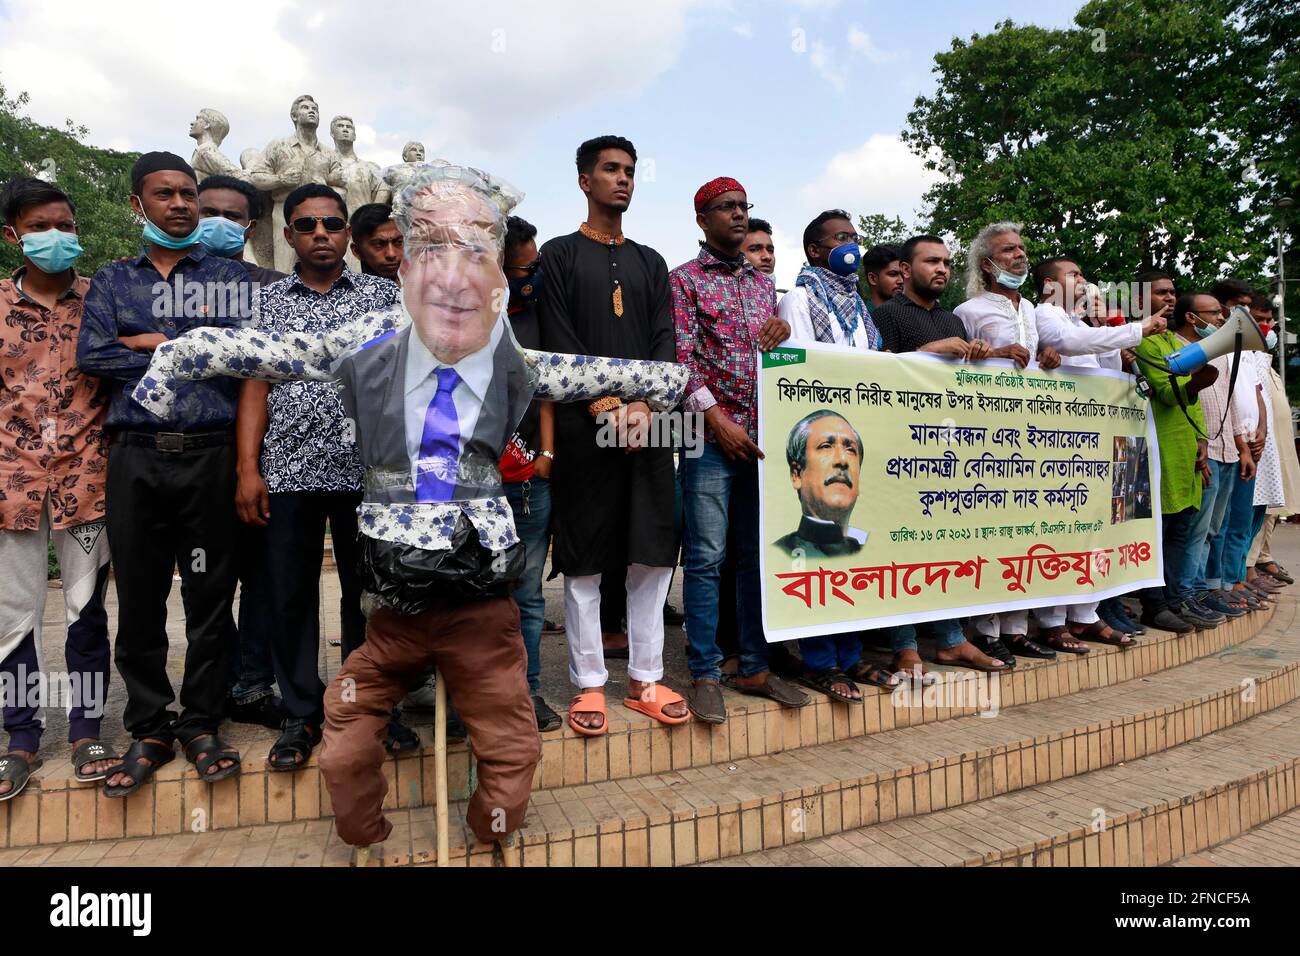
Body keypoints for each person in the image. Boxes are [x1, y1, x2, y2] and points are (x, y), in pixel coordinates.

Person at [129, 161, 688, 860]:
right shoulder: (367, 340)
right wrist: (185, 354)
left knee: (510, 743)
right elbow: (272, 353)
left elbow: (568, 371)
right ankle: (364, 830)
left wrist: (664, 382)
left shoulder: (503, 347)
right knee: (347, 729)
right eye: (433, 242)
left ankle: (492, 827)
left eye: (475, 243)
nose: (455, 263)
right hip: (392, 610)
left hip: (482, 607)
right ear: (407, 254)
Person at [76, 152, 252, 796]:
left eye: (189, 195)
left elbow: (241, 356)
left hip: (211, 454)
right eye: (165, 194)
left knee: (210, 596)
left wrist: (141, 342)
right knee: (141, 597)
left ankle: (203, 722)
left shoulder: (232, 279)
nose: (180, 205)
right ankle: (149, 726)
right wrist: (174, 347)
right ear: (138, 205)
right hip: (136, 457)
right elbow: (92, 354)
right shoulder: (113, 280)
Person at [539, 135, 688, 736]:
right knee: (585, 559)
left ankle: (646, 679)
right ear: (584, 181)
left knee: (652, 555)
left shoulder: (652, 262)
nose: (622, 179)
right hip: (582, 428)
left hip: (650, 427)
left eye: (629, 170)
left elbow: (664, 343)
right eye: (610, 170)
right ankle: (591, 684)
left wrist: (646, 408)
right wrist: (605, 406)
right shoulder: (558, 255)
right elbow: (558, 338)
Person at [671, 176, 810, 724]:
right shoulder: (681, 282)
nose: (737, 215)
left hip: (762, 441)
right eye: (725, 208)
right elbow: (682, 359)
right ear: (702, 218)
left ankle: (753, 666)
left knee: (755, 558)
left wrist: (779, 335)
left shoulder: (761, 286)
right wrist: (716, 420)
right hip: (709, 440)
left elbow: (776, 359)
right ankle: (705, 672)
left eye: (743, 208)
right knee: (705, 560)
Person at [0, 178, 116, 800]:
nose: (57, 236)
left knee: (85, 610)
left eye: (66, 225)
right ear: (12, 235)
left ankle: (86, 729)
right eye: (41, 226)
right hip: (10, 487)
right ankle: (19, 738)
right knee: (14, 619)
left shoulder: (104, 301)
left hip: (88, 484)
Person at [869, 235, 1006, 676]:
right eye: (931, 261)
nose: (942, 269)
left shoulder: (953, 320)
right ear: (906, 270)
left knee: (946, 548)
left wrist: (983, 355)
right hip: (902, 449)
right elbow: (875, 371)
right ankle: (905, 646)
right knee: (903, 548)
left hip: (948, 452)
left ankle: (951, 641)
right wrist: (929, 352)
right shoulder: (885, 314)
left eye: (946, 262)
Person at [1030, 256, 1167, 650]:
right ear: (1049, 287)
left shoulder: (1085, 323)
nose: (1084, 281)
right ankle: (1053, 621)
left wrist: (1112, 328)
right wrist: (1136, 329)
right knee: (1062, 529)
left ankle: (1085, 615)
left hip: (1098, 436)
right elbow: (1068, 345)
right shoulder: (1045, 315)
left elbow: (1109, 369)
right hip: (1064, 440)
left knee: (1096, 529)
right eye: (1073, 275)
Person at [194, 174, 286, 729]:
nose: (220, 223)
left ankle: (252, 684)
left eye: (233, 215)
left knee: (262, 577)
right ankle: (207, 692)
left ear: (249, 226)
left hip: (259, 452)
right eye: (210, 211)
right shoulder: (165, 284)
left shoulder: (272, 287)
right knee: (205, 577)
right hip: (190, 453)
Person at [951, 223, 1063, 663]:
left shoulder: (1032, 308)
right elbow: (955, 360)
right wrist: (988, 354)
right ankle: (985, 629)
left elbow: (1044, 357)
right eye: (1008, 250)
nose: (1019, 256)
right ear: (987, 263)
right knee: (989, 537)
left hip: (1032, 435)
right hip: (986, 437)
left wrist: (1051, 358)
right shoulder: (968, 309)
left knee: (1025, 535)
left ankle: (1016, 628)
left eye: (1021, 248)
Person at [1133, 293, 1229, 633]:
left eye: (1172, 291)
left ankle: (1177, 600)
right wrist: (1196, 383)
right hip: (1162, 448)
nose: (1169, 297)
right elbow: (1168, 393)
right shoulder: (1145, 344)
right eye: (1161, 292)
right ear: (1141, 300)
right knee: (1160, 531)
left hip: (1186, 446)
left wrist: (1201, 439)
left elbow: (1194, 405)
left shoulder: (1172, 343)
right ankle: (1156, 604)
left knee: (1182, 529)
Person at [500, 215, 562, 733]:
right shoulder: (465, 312)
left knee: (527, 593)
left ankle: (528, 692)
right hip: (469, 481)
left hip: (528, 478)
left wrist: (546, 456)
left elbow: (545, 388)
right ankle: (476, 697)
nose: (532, 275)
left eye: (535, 266)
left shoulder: (536, 314)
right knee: (471, 593)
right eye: (525, 266)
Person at [780, 210, 879, 350]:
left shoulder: (856, 302)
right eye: (842, 237)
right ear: (814, 251)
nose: (852, 245)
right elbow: (800, 363)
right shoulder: (799, 299)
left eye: (855, 239)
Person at [350, 203, 403, 283]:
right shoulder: (349, 294)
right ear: (357, 251)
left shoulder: (421, 287)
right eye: (379, 244)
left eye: (398, 242)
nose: (391, 254)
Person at [859, 243, 903, 312]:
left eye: (903, 275)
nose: (901, 281)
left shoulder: (912, 314)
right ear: (872, 278)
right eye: (893, 274)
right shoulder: (860, 318)